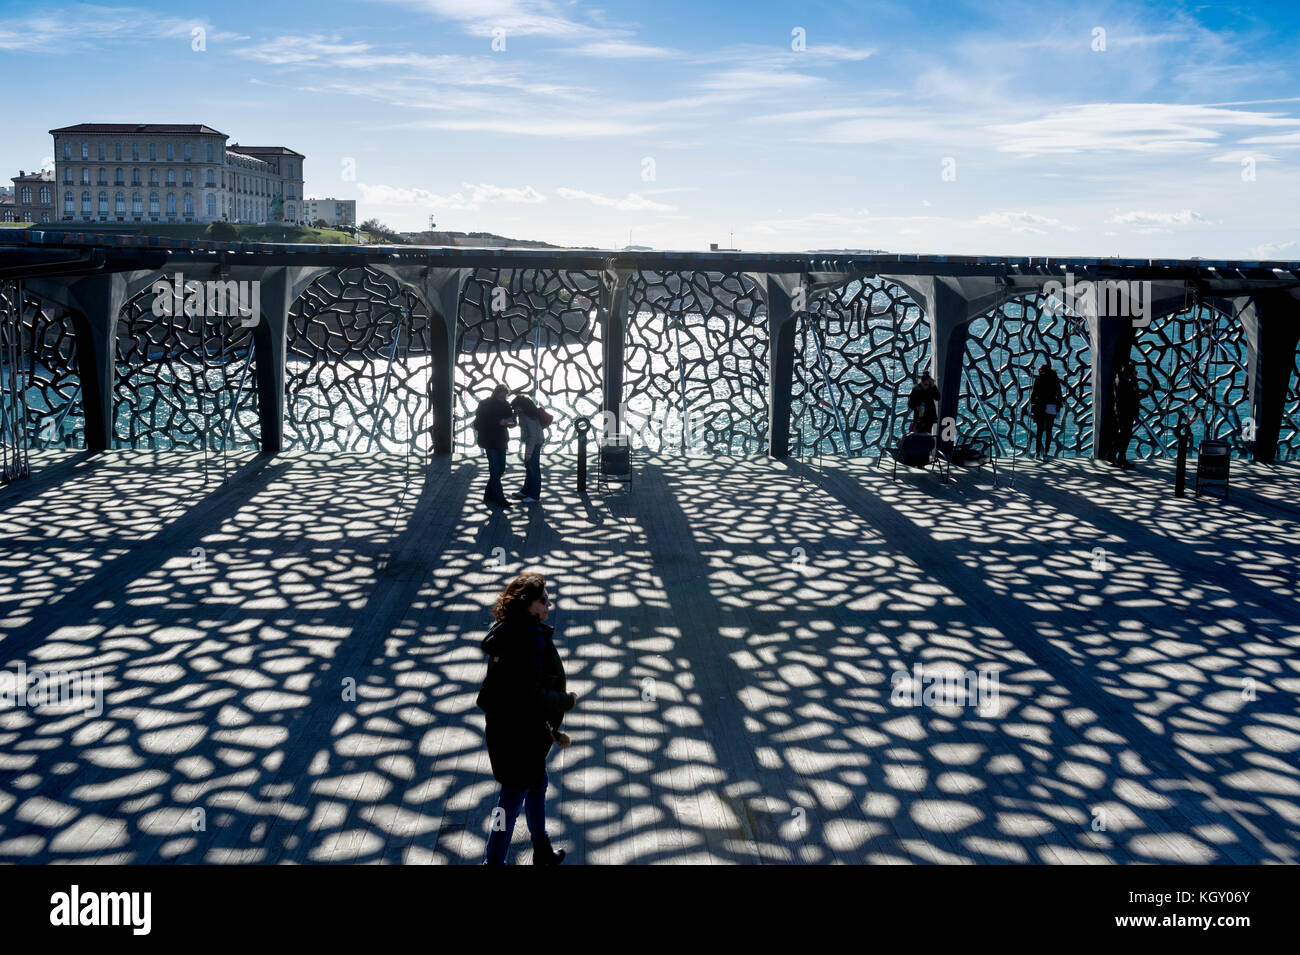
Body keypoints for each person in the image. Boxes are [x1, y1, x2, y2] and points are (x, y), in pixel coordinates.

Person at [477, 572, 576, 865]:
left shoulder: (508, 629)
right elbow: (531, 693)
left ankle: (541, 848)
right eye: (543, 600)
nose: (549, 604)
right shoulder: (529, 638)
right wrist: (566, 701)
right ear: (528, 605)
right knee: (509, 803)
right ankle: (493, 864)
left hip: (507, 729)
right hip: (521, 735)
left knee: (537, 783)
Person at [473, 384, 515, 509]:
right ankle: (500, 498)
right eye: (501, 396)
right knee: (495, 469)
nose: (503, 398)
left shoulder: (506, 405)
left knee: (500, 468)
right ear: (496, 394)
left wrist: (511, 422)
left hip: (501, 441)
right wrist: (498, 423)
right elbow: (478, 424)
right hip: (489, 441)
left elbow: (511, 420)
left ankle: (488, 494)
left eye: (505, 396)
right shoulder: (485, 404)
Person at [510, 394, 545, 503]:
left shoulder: (528, 416)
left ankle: (534, 495)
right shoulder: (524, 413)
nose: (514, 409)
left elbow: (533, 436)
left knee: (533, 469)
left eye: (515, 407)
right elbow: (514, 420)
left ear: (520, 406)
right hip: (532, 443)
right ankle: (526, 491)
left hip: (534, 443)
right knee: (530, 468)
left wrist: (528, 453)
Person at [1109, 360, 1143, 468]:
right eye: (1134, 371)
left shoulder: (1118, 379)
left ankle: (1119, 457)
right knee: (1125, 436)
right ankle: (1117, 457)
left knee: (1123, 435)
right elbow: (1133, 396)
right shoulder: (1125, 383)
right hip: (1125, 413)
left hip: (1121, 412)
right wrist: (1146, 392)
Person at [1029, 364, 1064, 460]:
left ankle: (1037, 453)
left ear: (1041, 371)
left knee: (1039, 431)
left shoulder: (1038, 380)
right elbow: (1059, 395)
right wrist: (1058, 407)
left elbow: (1033, 394)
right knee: (1049, 431)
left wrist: (1033, 403)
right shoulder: (1055, 380)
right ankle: (1045, 453)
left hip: (1040, 407)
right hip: (1051, 407)